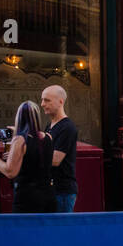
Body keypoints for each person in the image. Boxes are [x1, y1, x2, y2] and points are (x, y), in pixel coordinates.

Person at [0, 100, 55, 213]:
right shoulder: (48, 137)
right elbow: (35, 159)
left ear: (19, 118)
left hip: (27, 198)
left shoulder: (20, 140)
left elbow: (10, 172)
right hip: (48, 195)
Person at [41, 84, 78, 212]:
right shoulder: (49, 126)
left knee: (61, 230)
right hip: (51, 189)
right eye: (42, 100)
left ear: (60, 102)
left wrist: (24, 155)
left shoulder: (67, 127)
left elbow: (55, 160)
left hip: (62, 191)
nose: (42, 104)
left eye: (47, 100)